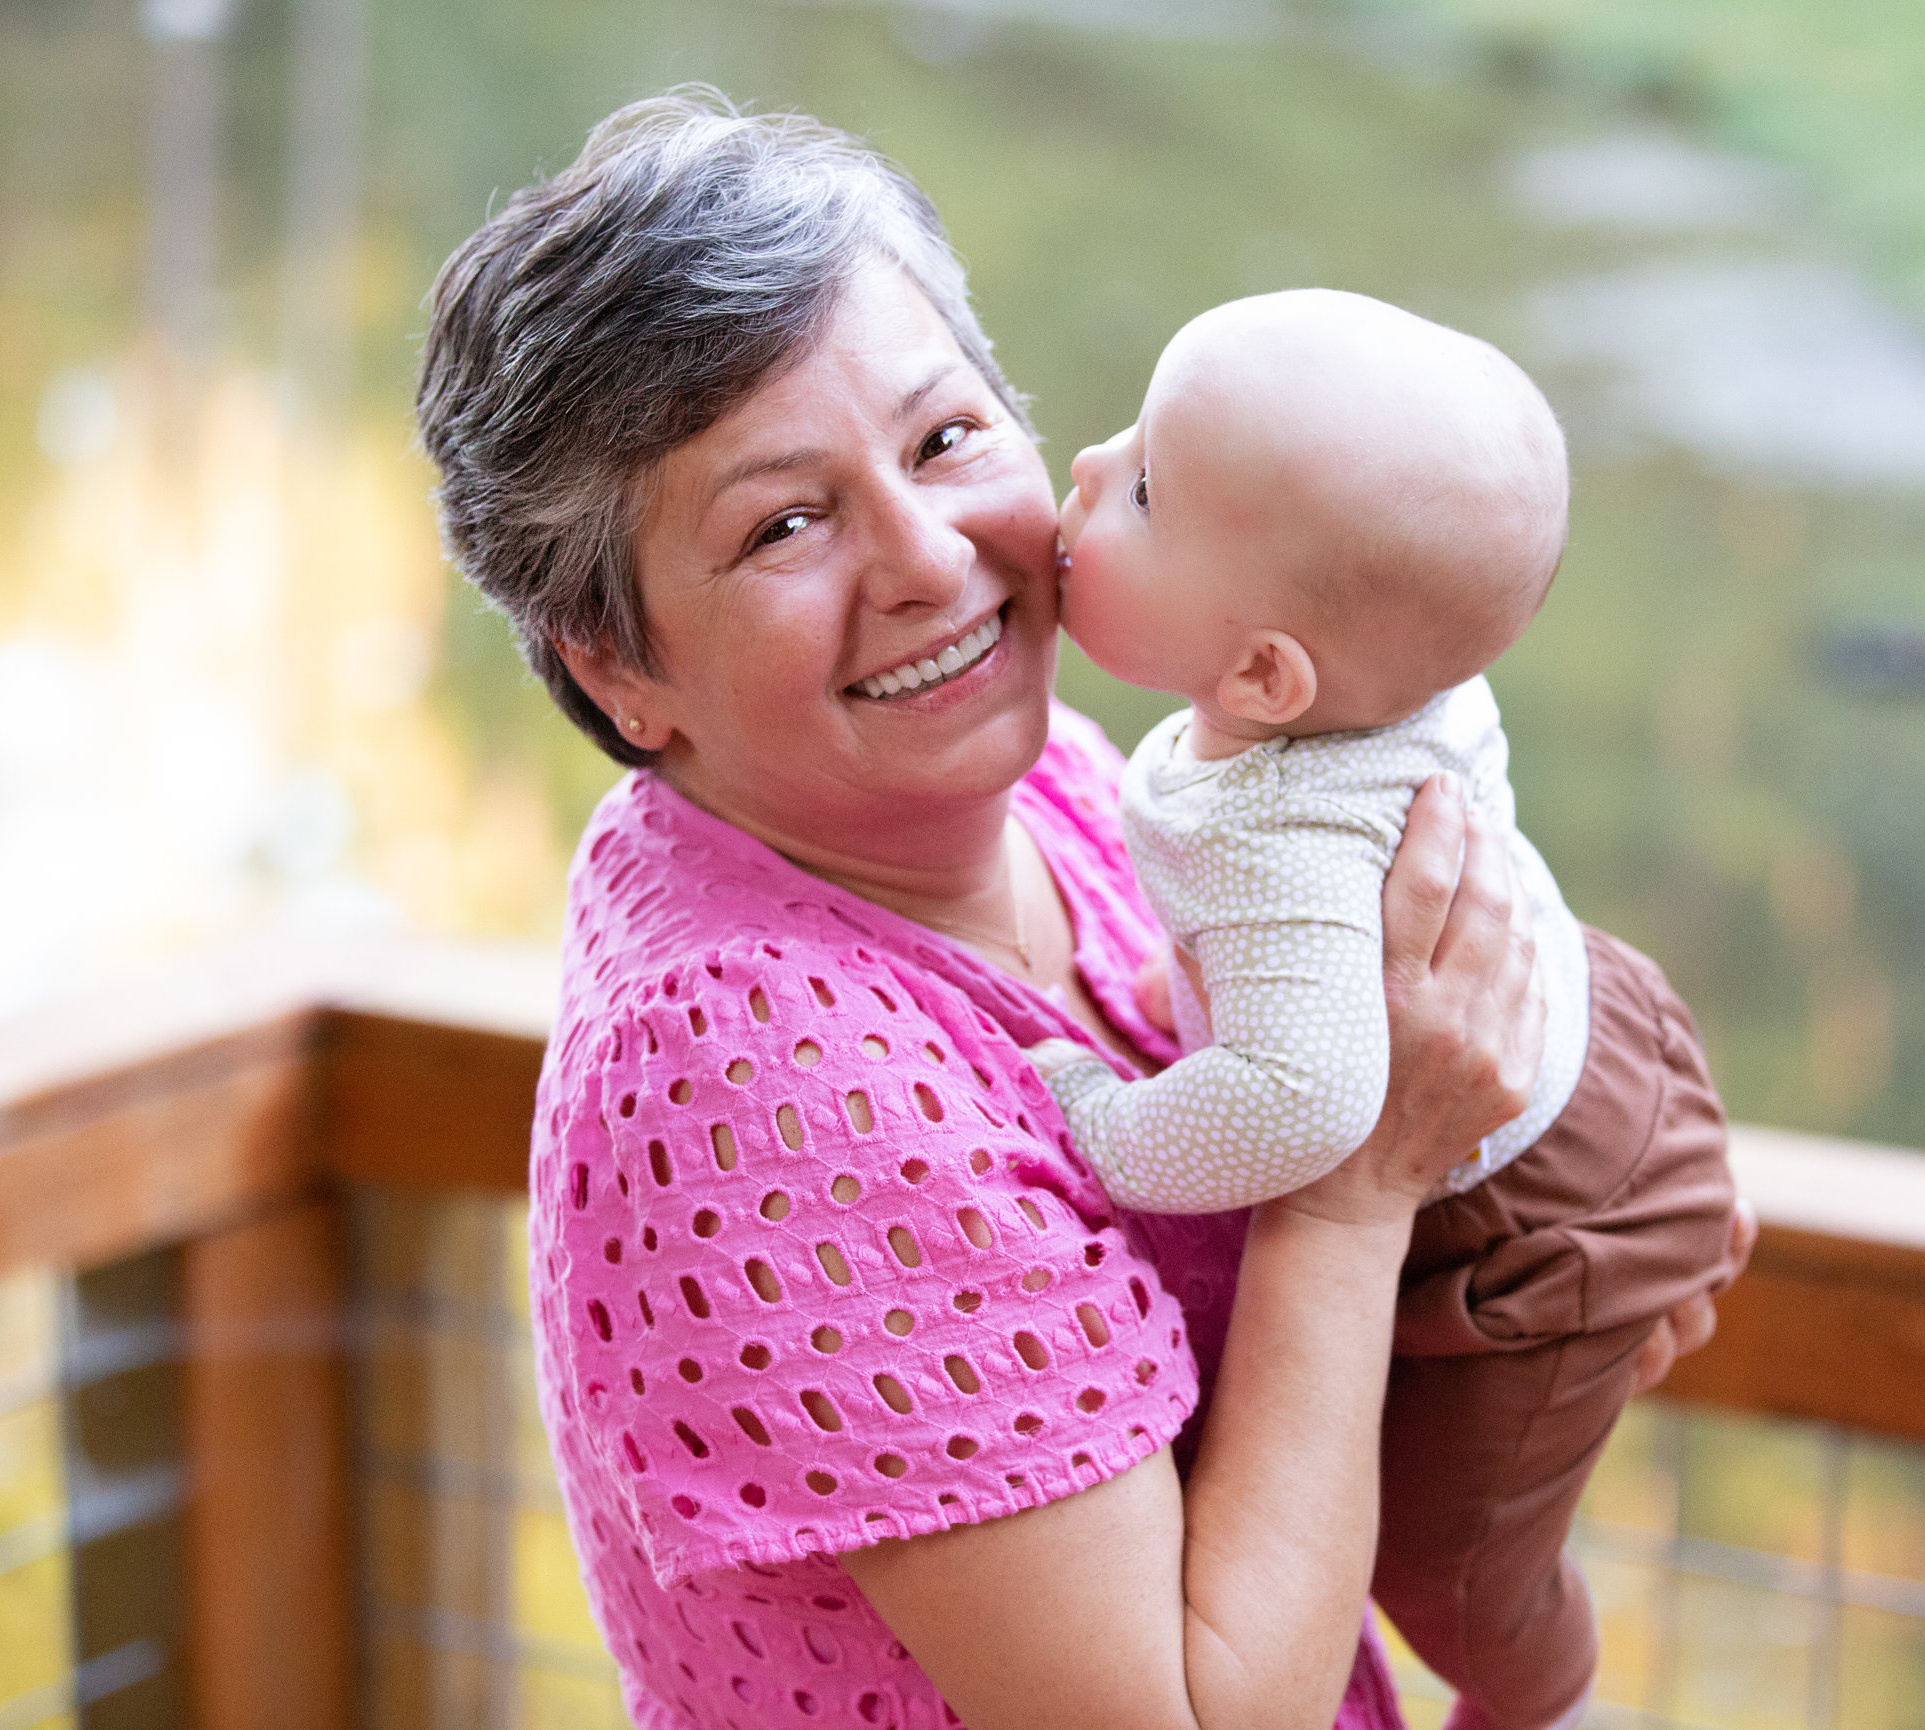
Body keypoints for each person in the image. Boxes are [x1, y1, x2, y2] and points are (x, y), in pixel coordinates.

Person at [415, 90, 1752, 1730]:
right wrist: (1366, 1185)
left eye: (945, 438)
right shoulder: (758, 1065)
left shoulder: (1053, 776)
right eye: (782, 523)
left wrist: (1576, 1255)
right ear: (617, 665)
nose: (929, 559)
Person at [1032, 289, 1738, 1729]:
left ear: (1266, 674)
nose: (1088, 468)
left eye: (1147, 487)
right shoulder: (1355, 688)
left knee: (1451, 1570)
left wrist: (1101, 1123)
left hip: (1547, 1199)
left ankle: (1548, 1701)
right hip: (1595, 1022)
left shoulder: (1287, 828)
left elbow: (1305, 1100)